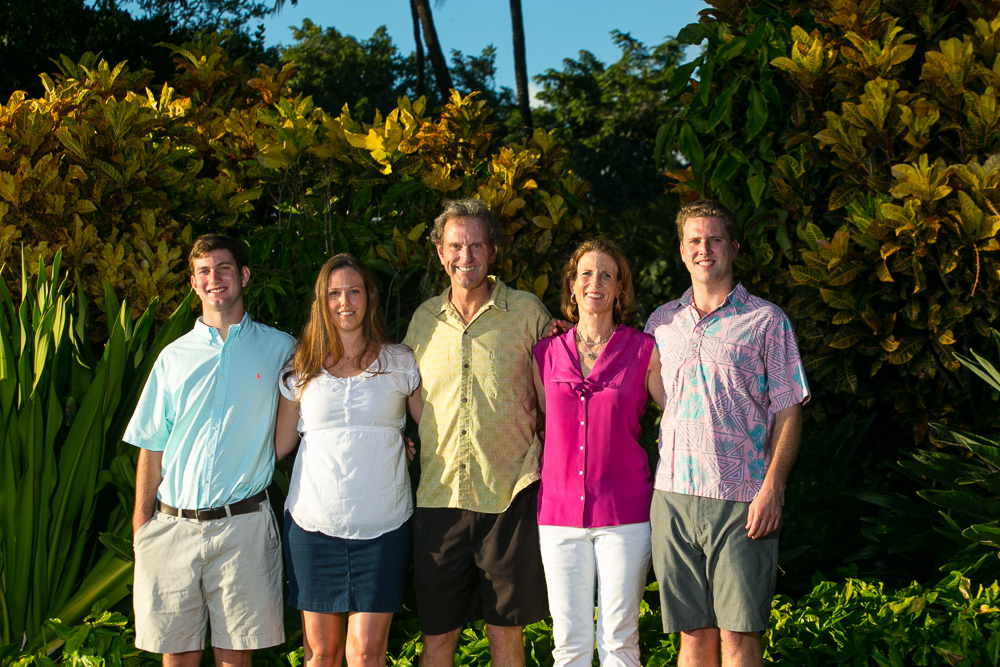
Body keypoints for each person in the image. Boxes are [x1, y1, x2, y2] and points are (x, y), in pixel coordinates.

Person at [644, 199, 811, 667]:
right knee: (693, 638)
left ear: (733, 247)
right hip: (673, 497)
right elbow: (654, 391)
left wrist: (773, 488)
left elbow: (790, 410)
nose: (705, 249)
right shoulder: (661, 322)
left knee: (740, 638)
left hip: (741, 498)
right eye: (694, 240)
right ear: (681, 251)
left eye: (714, 239)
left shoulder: (766, 320)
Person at [125, 234, 295, 667]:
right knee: (176, 657)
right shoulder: (172, 357)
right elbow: (152, 443)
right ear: (193, 284)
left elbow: (310, 418)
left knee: (233, 659)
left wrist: (392, 434)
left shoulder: (281, 349)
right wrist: (142, 524)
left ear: (244, 275)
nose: (214, 278)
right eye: (204, 271)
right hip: (171, 526)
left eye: (223, 268)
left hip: (243, 528)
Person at [402, 198, 551, 667]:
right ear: (440, 254)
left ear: (492, 251)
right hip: (438, 499)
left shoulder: (527, 312)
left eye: (475, 245)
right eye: (454, 246)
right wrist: (415, 432)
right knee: (437, 640)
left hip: (509, 496)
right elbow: (407, 389)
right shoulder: (423, 320)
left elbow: (557, 393)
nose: (465, 256)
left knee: (505, 637)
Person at [274, 253, 421, 667]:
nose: (345, 302)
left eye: (354, 291)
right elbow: (278, 445)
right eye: (334, 293)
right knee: (321, 655)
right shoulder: (299, 366)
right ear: (322, 303)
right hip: (313, 525)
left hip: (384, 526)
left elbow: (435, 430)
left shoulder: (400, 361)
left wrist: (405, 448)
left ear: (369, 298)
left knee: (366, 654)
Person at [531, 239, 664, 667]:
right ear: (571, 285)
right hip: (558, 515)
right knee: (568, 644)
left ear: (620, 289)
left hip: (625, 514)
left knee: (620, 642)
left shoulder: (644, 350)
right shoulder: (546, 352)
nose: (595, 282)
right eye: (586, 273)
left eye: (607, 274)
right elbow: (537, 424)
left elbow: (680, 415)